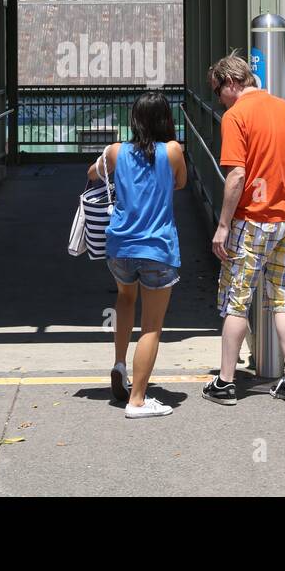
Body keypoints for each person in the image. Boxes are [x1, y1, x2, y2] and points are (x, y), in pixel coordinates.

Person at [202, 53, 285, 406]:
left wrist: (222, 225)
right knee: (283, 299)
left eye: (218, 91)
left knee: (237, 301)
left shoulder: (236, 116)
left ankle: (225, 382)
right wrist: (284, 186)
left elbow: (236, 175)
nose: (218, 99)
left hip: (252, 222)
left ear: (231, 83)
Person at [90, 91, 187, 419]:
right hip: (157, 248)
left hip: (120, 247)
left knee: (125, 300)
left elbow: (93, 174)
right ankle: (138, 400)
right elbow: (181, 182)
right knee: (152, 327)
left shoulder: (116, 152)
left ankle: (120, 364)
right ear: (165, 119)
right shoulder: (173, 151)